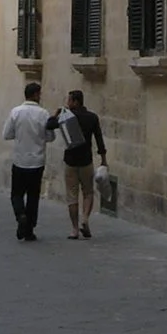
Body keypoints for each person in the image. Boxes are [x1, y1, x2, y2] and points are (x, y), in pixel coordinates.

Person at [50, 90, 107, 240]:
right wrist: (103, 159)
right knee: (88, 192)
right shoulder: (92, 117)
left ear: (75, 102)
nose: (67, 103)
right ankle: (85, 219)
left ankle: (74, 229)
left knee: (72, 195)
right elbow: (99, 139)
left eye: (69, 100)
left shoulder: (65, 116)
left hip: (70, 161)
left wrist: (56, 113)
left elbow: (49, 125)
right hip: (86, 161)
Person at [0, 82, 52, 241]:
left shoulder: (16, 112)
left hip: (20, 160)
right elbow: (50, 137)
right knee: (33, 196)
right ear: (36, 95)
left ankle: (20, 215)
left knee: (16, 194)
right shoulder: (43, 114)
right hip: (37, 161)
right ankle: (29, 228)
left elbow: (6, 134)